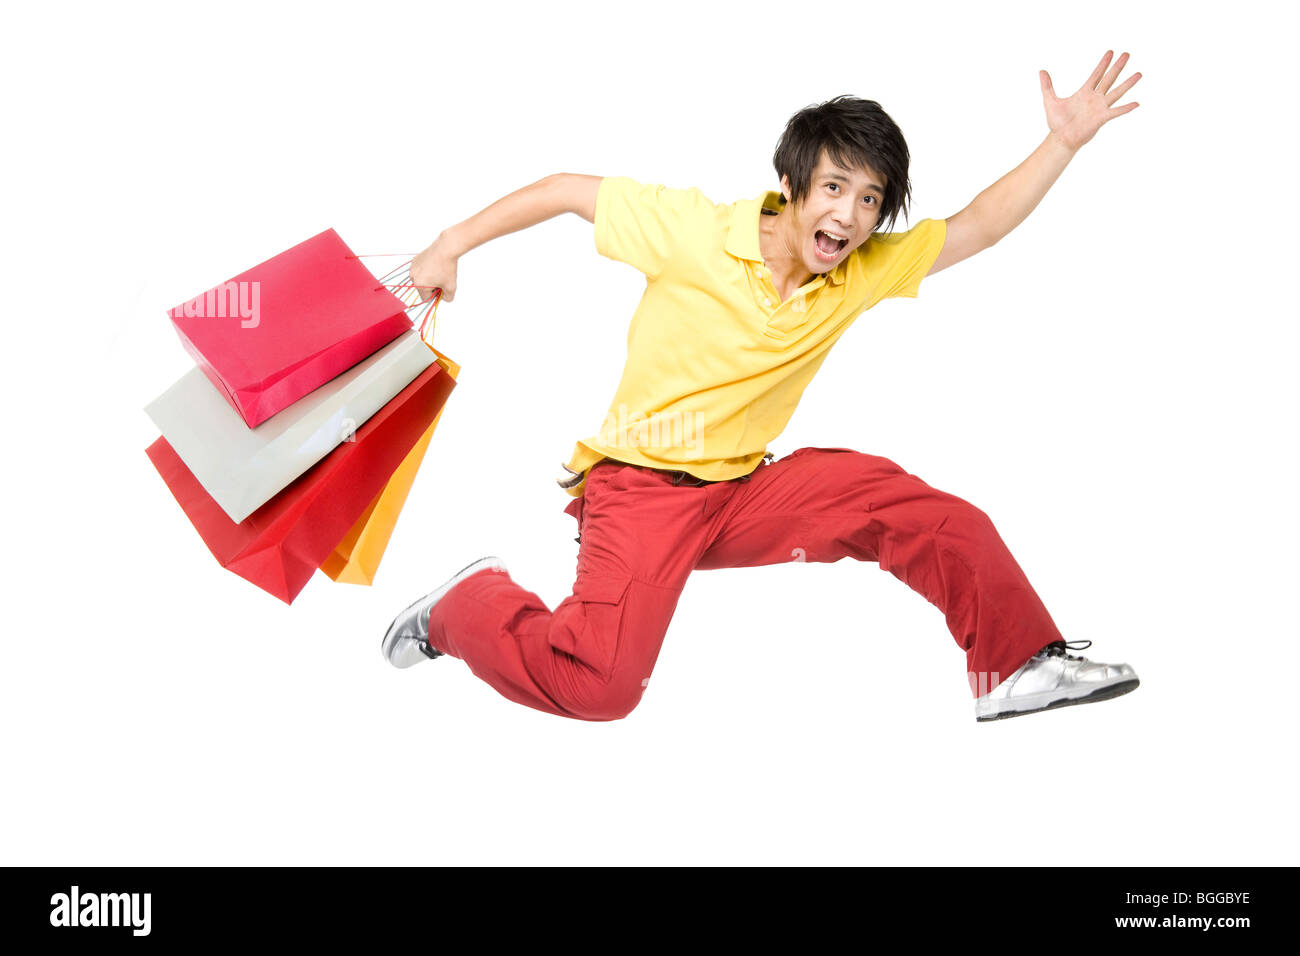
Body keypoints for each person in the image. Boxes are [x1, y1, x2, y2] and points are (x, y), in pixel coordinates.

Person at [383, 51, 1143, 722]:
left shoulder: (861, 270)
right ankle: (465, 606)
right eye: (836, 188)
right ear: (792, 185)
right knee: (602, 688)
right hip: (641, 489)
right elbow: (563, 191)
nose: (848, 216)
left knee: (928, 514)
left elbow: (978, 226)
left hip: (745, 491)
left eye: (871, 200)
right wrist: (451, 246)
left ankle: (1014, 666)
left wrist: (1063, 142)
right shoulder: (692, 231)